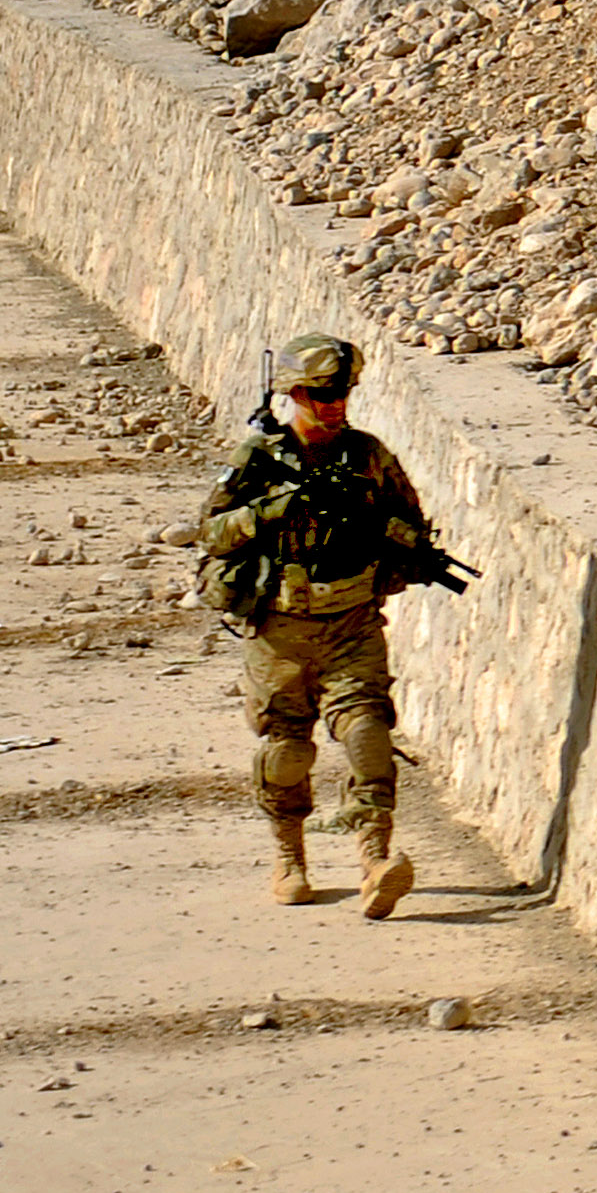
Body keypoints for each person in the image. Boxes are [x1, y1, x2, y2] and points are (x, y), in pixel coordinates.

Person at [198, 334, 451, 915]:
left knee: (367, 736)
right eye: (321, 394)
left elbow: (410, 525)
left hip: (351, 624)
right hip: (280, 631)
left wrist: (402, 551)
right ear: (293, 394)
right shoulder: (258, 459)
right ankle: (290, 857)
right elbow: (210, 531)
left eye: (340, 393)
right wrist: (268, 513)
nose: (334, 404)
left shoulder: (368, 456)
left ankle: (375, 858)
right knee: (286, 752)